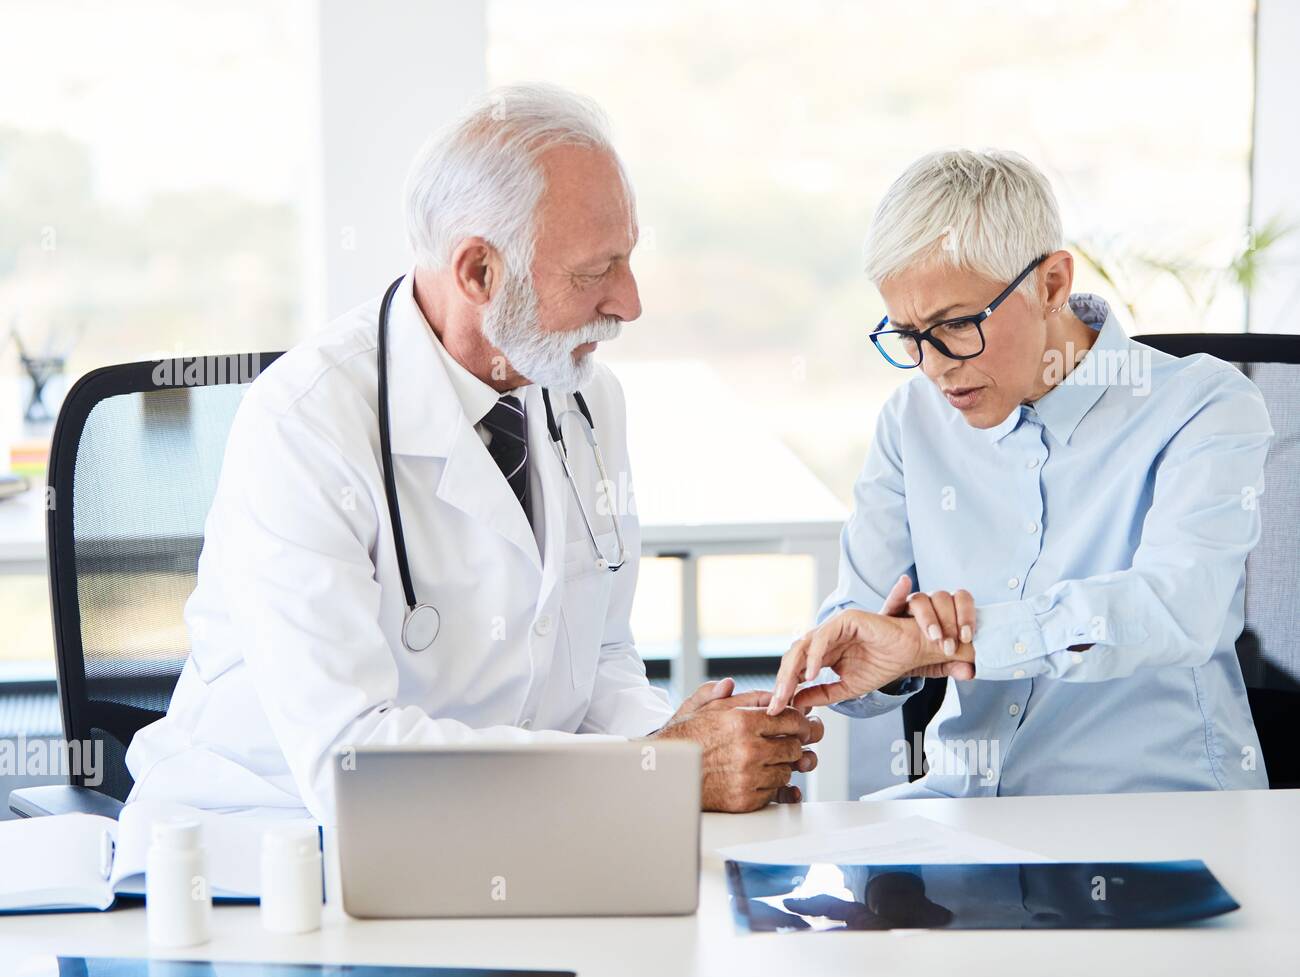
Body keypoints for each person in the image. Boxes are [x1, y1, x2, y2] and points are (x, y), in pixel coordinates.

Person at [125, 83, 821, 824]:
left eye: (628, 259)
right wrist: (664, 771)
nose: (630, 301)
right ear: (478, 273)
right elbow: (351, 766)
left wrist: (675, 737)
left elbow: (600, 657)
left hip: (514, 833)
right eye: (594, 272)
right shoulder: (303, 426)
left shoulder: (584, 397)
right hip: (272, 846)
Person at [768, 148, 1272, 797]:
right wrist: (879, 660)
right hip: (963, 806)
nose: (934, 365)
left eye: (954, 326)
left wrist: (956, 638)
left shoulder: (1205, 405)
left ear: (1052, 284)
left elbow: (1178, 610)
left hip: (1148, 814)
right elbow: (864, 647)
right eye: (908, 336)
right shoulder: (912, 420)